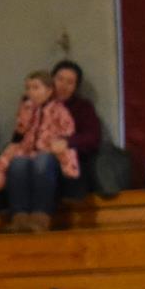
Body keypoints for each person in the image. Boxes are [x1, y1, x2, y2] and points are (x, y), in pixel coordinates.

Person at [0, 71, 80, 233]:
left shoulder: (59, 110)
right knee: (17, 163)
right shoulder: (27, 109)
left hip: (50, 153)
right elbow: (20, 131)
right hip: (27, 151)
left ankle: (41, 216)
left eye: (35, 88)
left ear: (48, 90)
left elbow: (68, 132)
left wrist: (59, 145)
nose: (30, 92)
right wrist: (14, 146)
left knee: (42, 162)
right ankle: (19, 216)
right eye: (28, 88)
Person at [51, 60, 104, 204]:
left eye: (70, 82)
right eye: (60, 79)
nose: (63, 86)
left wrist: (67, 142)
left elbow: (93, 137)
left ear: (76, 87)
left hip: (69, 156)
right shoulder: (37, 105)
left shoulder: (83, 107)